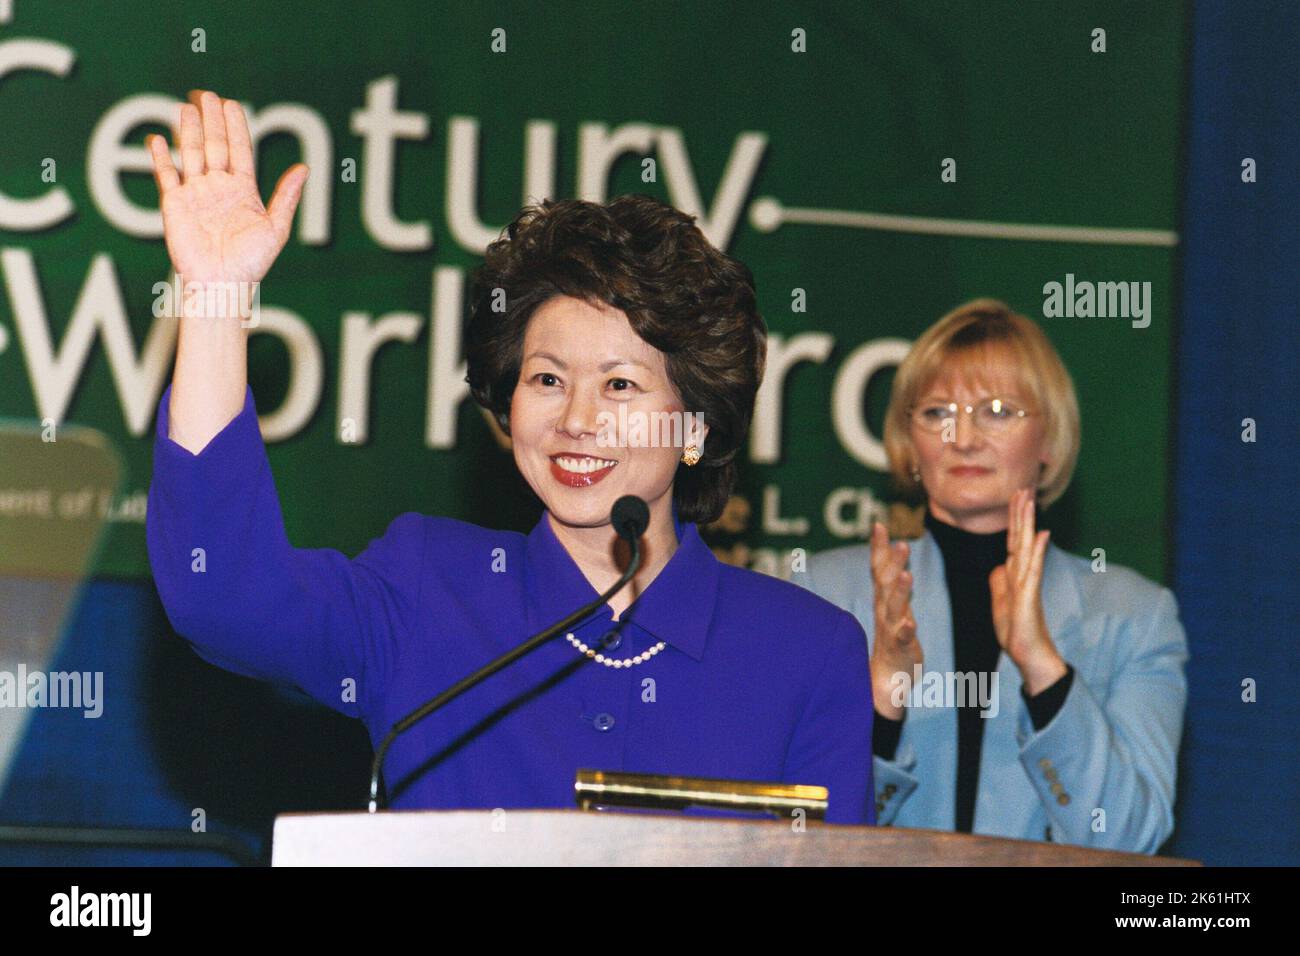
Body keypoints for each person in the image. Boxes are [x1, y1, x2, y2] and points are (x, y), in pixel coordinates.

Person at [144, 90, 875, 823]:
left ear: (696, 428)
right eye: (548, 380)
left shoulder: (807, 653)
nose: (577, 420)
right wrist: (214, 298)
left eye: (619, 385)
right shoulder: (428, 590)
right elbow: (224, 598)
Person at [797, 299, 1187, 850]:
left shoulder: (1133, 616)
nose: (963, 438)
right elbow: (791, 837)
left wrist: (1043, 669)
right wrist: (882, 704)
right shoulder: (820, 596)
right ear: (910, 444)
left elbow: (1130, 838)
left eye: (998, 410)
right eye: (937, 413)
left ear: (1050, 442)